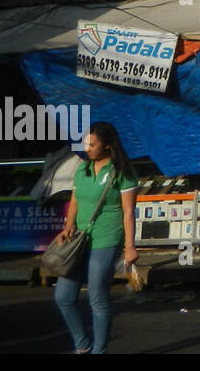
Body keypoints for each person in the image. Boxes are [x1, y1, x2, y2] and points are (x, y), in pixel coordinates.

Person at [54, 122, 138, 355]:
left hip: (107, 238)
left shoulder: (122, 172)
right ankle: (82, 346)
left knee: (98, 298)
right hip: (80, 240)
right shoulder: (83, 169)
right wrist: (69, 225)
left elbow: (129, 212)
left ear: (108, 146)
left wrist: (130, 246)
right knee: (63, 296)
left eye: (92, 144)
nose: (87, 148)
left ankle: (98, 351)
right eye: (85, 143)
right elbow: (75, 200)